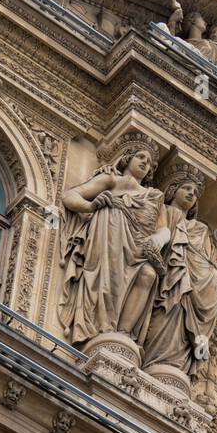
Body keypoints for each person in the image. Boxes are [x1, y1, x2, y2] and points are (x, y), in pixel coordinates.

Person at [60, 132, 168, 347]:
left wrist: (158, 240)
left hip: (139, 244)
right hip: (110, 237)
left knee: (148, 274)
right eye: (141, 158)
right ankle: (103, 328)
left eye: (149, 163)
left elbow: (164, 229)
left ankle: (123, 333)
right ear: (127, 158)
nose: (145, 164)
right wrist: (91, 206)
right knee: (111, 279)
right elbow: (69, 196)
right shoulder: (110, 180)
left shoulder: (155, 196)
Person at [142, 164, 217, 378]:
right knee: (168, 313)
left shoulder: (201, 229)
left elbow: (206, 260)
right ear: (172, 190)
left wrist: (211, 280)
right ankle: (156, 361)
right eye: (186, 188)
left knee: (181, 324)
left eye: (195, 193)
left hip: (196, 288)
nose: (191, 194)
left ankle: (172, 366)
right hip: (169, 281)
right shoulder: (165, 212)